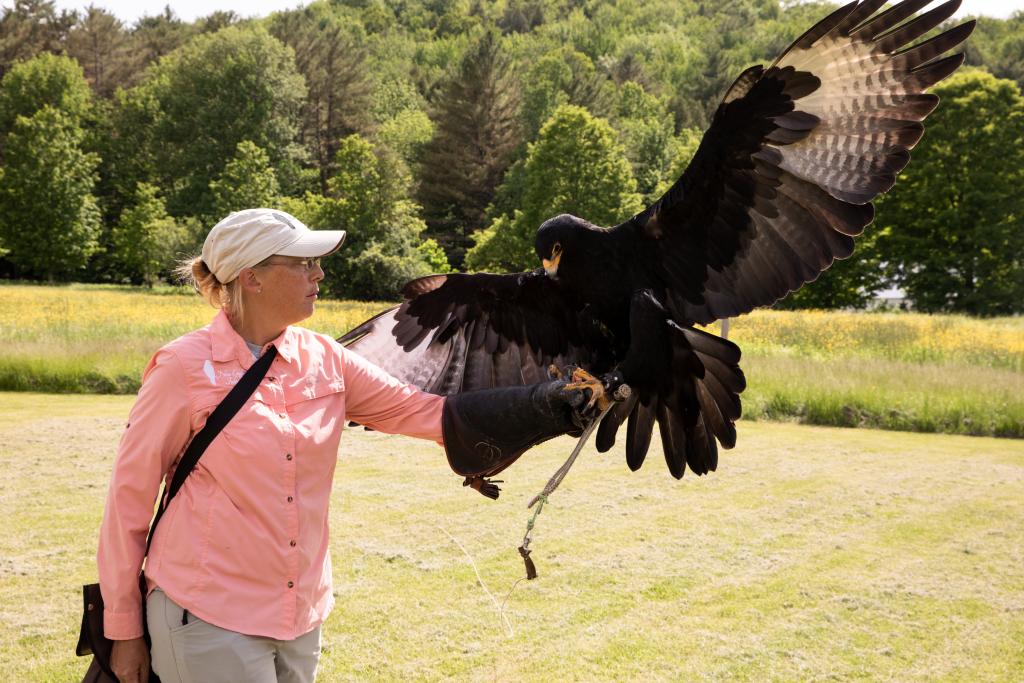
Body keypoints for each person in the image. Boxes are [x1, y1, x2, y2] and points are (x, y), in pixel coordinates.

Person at [97, 208, 589, 683]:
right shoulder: (183, 368)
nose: (319, 273)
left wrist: (542, 405)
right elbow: (128, 503)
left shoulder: (323, 358)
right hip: (207, 614)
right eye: (304, 263)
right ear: (252, 278)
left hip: (300, 616)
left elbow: (426, 412)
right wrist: (124, 629)